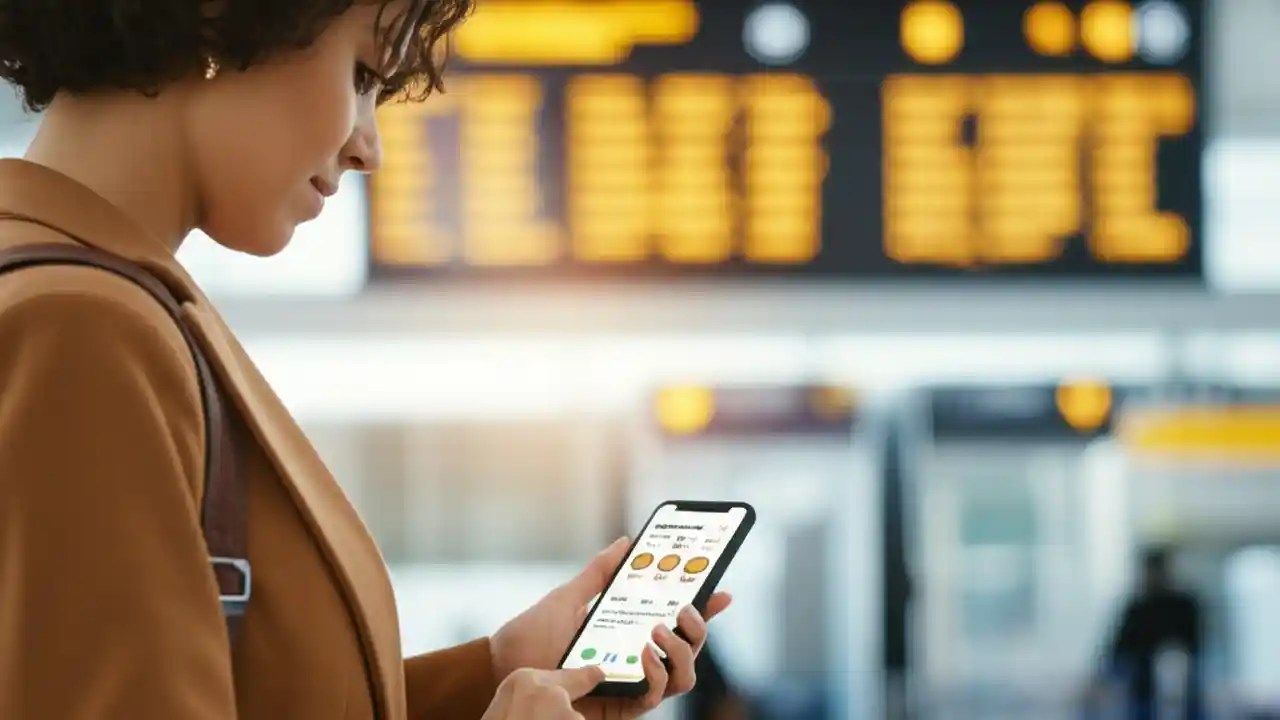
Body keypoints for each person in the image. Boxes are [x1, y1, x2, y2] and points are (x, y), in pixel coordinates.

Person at [0, 2, 732, 718]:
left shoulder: (98, 305)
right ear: (218, 20)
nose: (368, 149)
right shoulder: (84, 329)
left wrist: (498, 668)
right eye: (361, 74)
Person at [1105, 546, 1204, 720]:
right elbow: (1118, 648)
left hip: (1182, 681)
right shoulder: (1138, 607)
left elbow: (1196, 643)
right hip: (1143, 687)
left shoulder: (1184, 604)